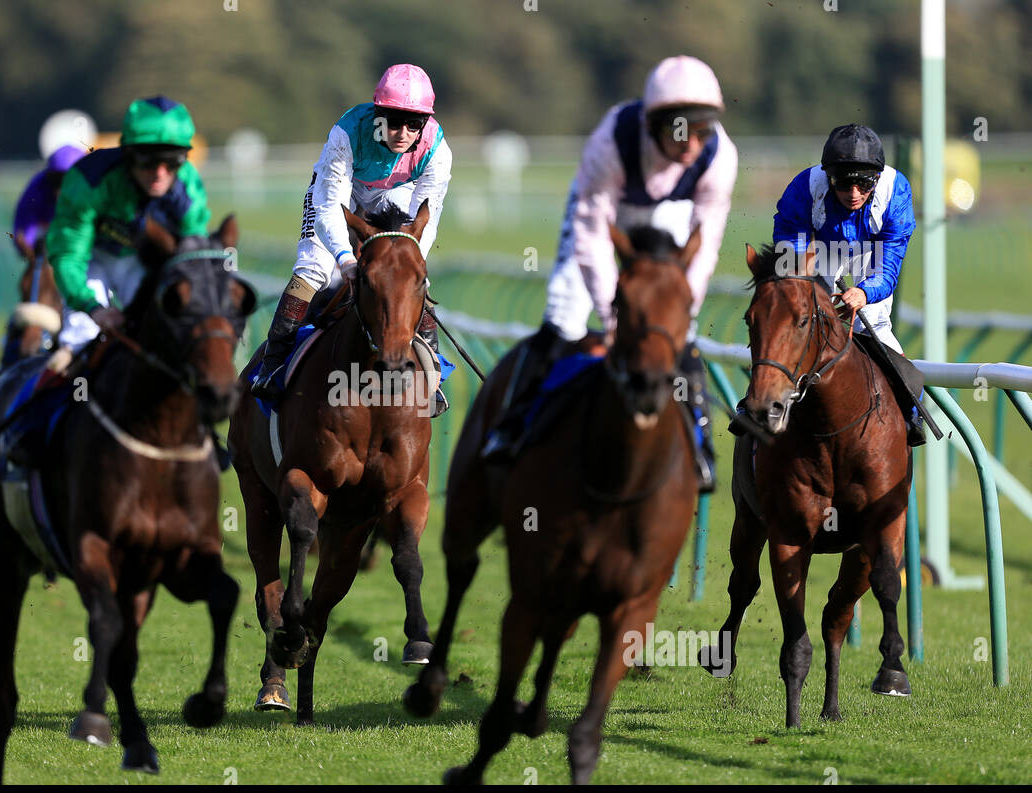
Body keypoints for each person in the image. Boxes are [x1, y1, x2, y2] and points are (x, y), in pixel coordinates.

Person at [482, 55, 737, 492]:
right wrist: (614, 317)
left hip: (670, 217)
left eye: (703, 131)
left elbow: (705, 244)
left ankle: (699, 448)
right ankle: (513, 423)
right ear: (655, 123)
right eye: (682, 132)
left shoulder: (719, 158)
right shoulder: (611, 142)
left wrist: (680, 310)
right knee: (565, 313)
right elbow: (592, 237)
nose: (693, 145)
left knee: (678, 329)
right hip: (604, 215)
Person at [250, 63, 452, 414]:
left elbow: (427, 217)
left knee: (410, 276)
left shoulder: (437, 150)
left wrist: (413, 260)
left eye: (413, 123)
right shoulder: (347, 133)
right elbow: (330, 208)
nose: (402, 132)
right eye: (393, 120)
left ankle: (431, 373)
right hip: (338, 195)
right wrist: (346, 260)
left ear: (425, 124)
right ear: (377, 113)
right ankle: (273, 364)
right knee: (312, 268)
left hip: (396, 194)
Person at [769, 122, 927, 446]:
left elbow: (889, 266)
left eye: (864, 184)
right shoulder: (804, 188)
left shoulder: (895, 192)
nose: (853, 194)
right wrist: (805, 278)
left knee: (894, 356)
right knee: (790, 333)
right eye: (843, 184)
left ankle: (908, 416)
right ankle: (760, 406)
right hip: (819, 256)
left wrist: (864, 292)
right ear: (829, 177)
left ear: (877, 178)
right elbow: (788, 249)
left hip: (872, 260)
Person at [46, 96, 209, 353]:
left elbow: (194, 256)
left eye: (172, 161)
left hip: (138, 263)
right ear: (128, 155)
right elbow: (69, 255)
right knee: (82, 334)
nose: (160, 173)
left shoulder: (188, 186)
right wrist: (94, 309)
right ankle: (52, 385)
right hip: (90, 259)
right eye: (148, 161)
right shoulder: (89, 180)